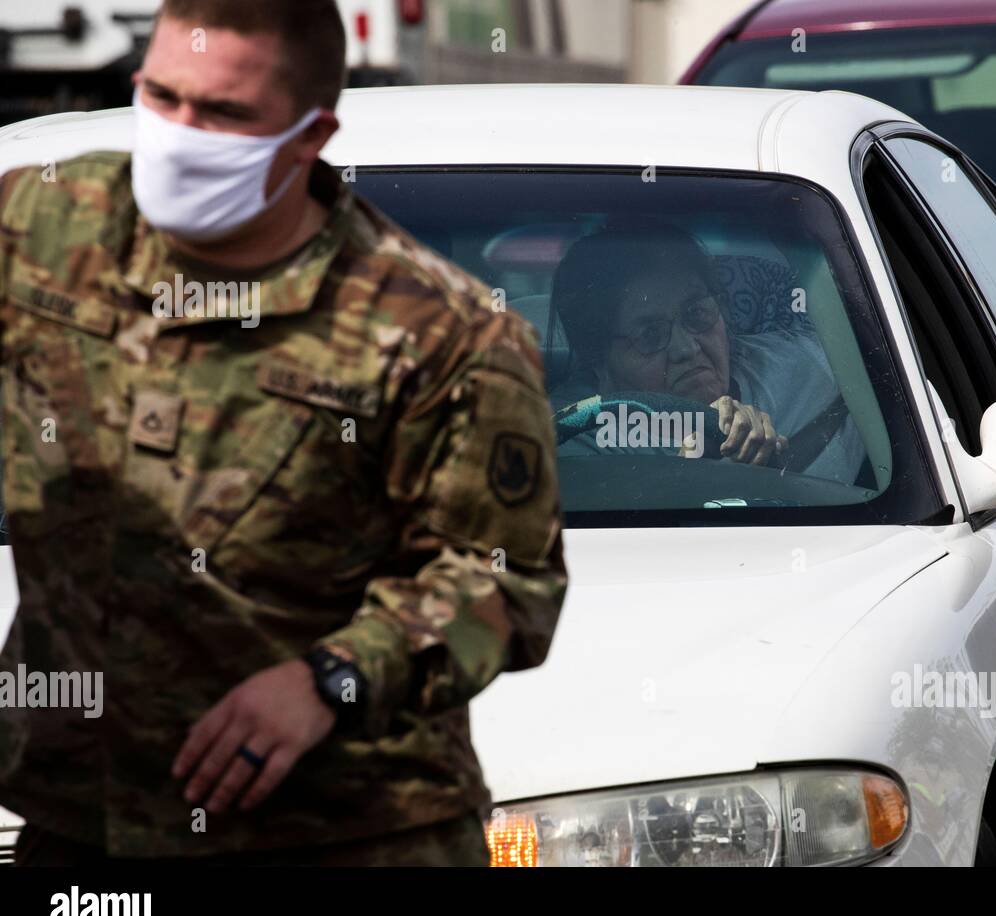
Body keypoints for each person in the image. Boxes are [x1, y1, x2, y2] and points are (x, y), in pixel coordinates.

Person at [0, 0, 566, 865]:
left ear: (310, 135)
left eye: (224, 114)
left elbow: (506, 580)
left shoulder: (439, 334)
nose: (181, 133)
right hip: (84, 823)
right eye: (162, 96)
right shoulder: (45, 225)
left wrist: (332, 680)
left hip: (343, 829)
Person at [549, 218, 865, 480]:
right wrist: (690, 476)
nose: (686, 349)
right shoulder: (568, 439)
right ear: (597, 357)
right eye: (650, 335)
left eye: (697, 314)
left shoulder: (812, 366)